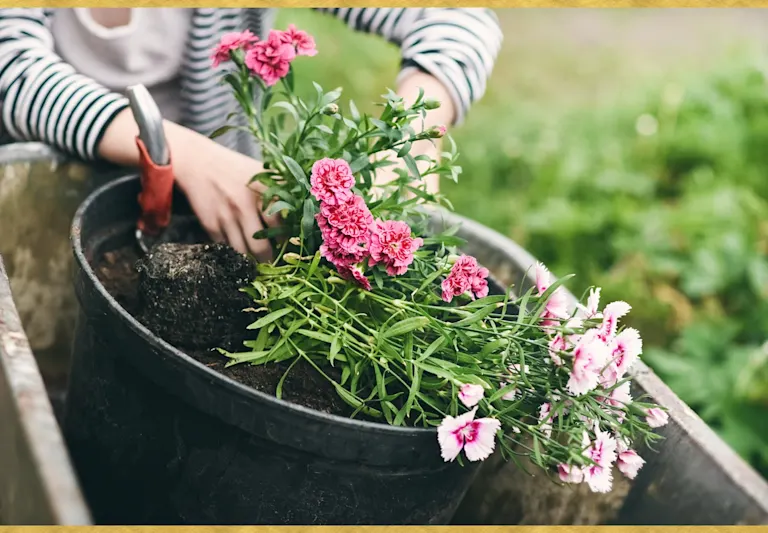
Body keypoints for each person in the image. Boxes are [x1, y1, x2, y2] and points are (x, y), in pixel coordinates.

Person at [0, 8, 502, 261]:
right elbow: (13, 72)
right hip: (33, 211)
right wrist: (184, 154)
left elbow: (457, 16)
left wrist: (413, 134)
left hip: (217, 224)